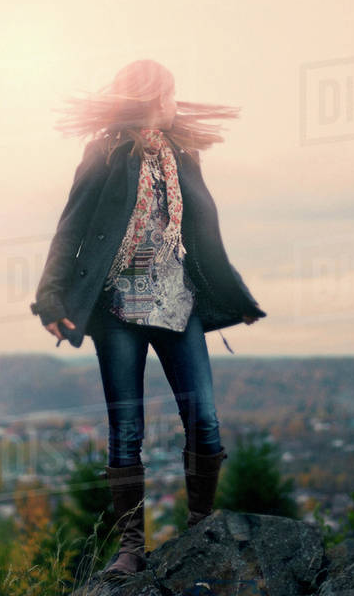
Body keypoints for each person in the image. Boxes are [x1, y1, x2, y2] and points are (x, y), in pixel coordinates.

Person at [29, 59, 266, 576]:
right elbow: (68, 230)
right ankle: (131, 549)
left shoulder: (184, 156)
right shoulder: (104, 155)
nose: (177, 103)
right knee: (126, 430)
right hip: (117, 309)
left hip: (178, 305)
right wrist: (51, 298)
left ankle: (202, 525)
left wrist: (235, 296)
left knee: (203, 420)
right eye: (171, 94)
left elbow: (206, 237)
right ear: (152, 98)